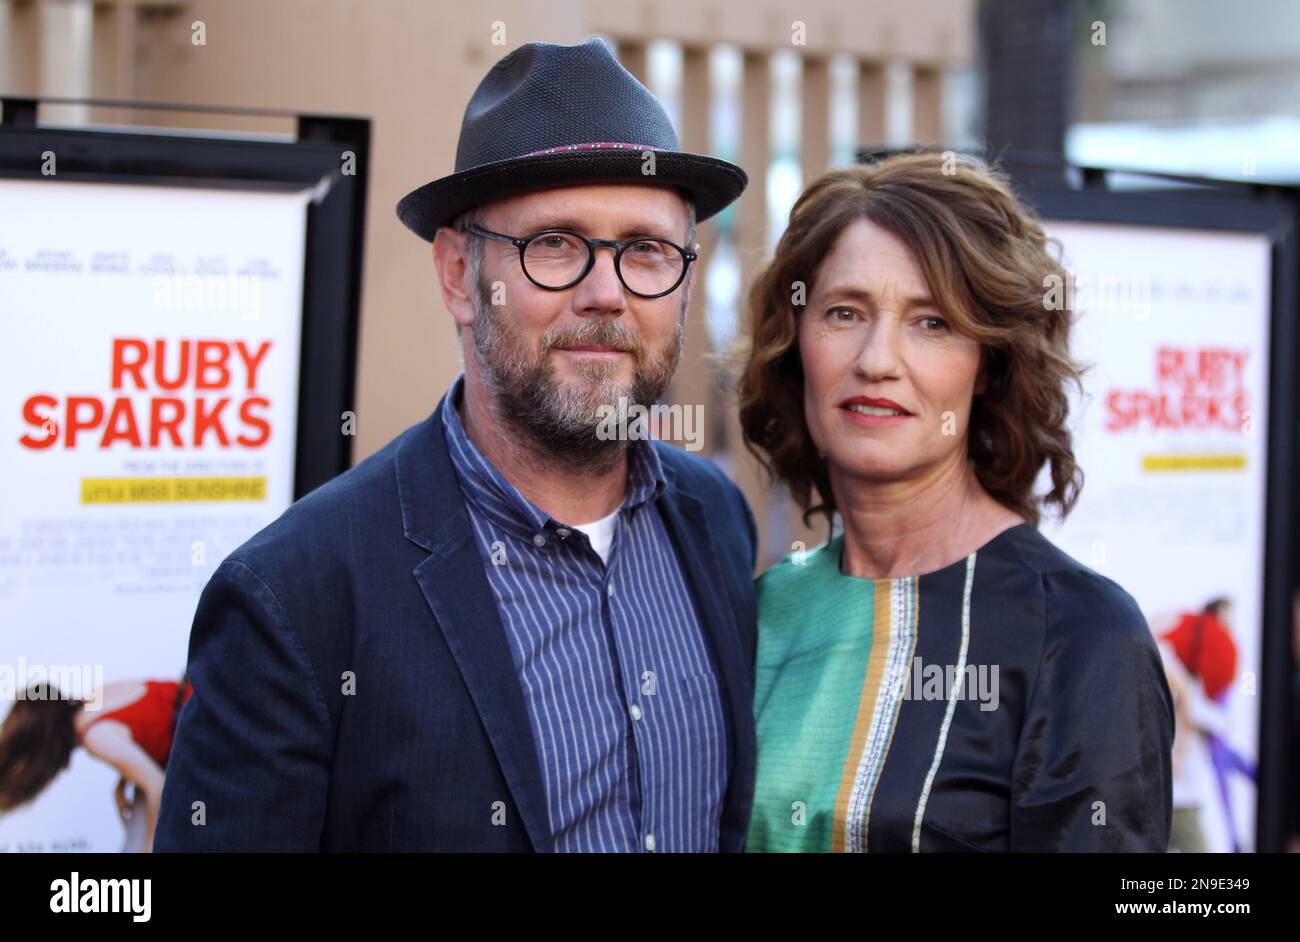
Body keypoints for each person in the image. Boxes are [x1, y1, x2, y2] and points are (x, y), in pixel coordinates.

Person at [155, 38, 758, 852]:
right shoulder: (295, 599)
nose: (607, 293)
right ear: (456, 274)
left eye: (646, 251)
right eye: (553, 243)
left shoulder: (714, 519)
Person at [737, 152, 1174, 852]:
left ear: (990, 364)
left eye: (932, 322)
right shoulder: (758, 615)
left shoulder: (1075, 632)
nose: (877, 359)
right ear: (796, 347)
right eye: (844, 312)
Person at [0, 677, 192, 852]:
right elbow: (150, 721)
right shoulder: (95, 699)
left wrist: (151, 845)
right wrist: (125, 779)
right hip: (197, 709)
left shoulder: (93, 735)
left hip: (201, 739)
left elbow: (157, 786)